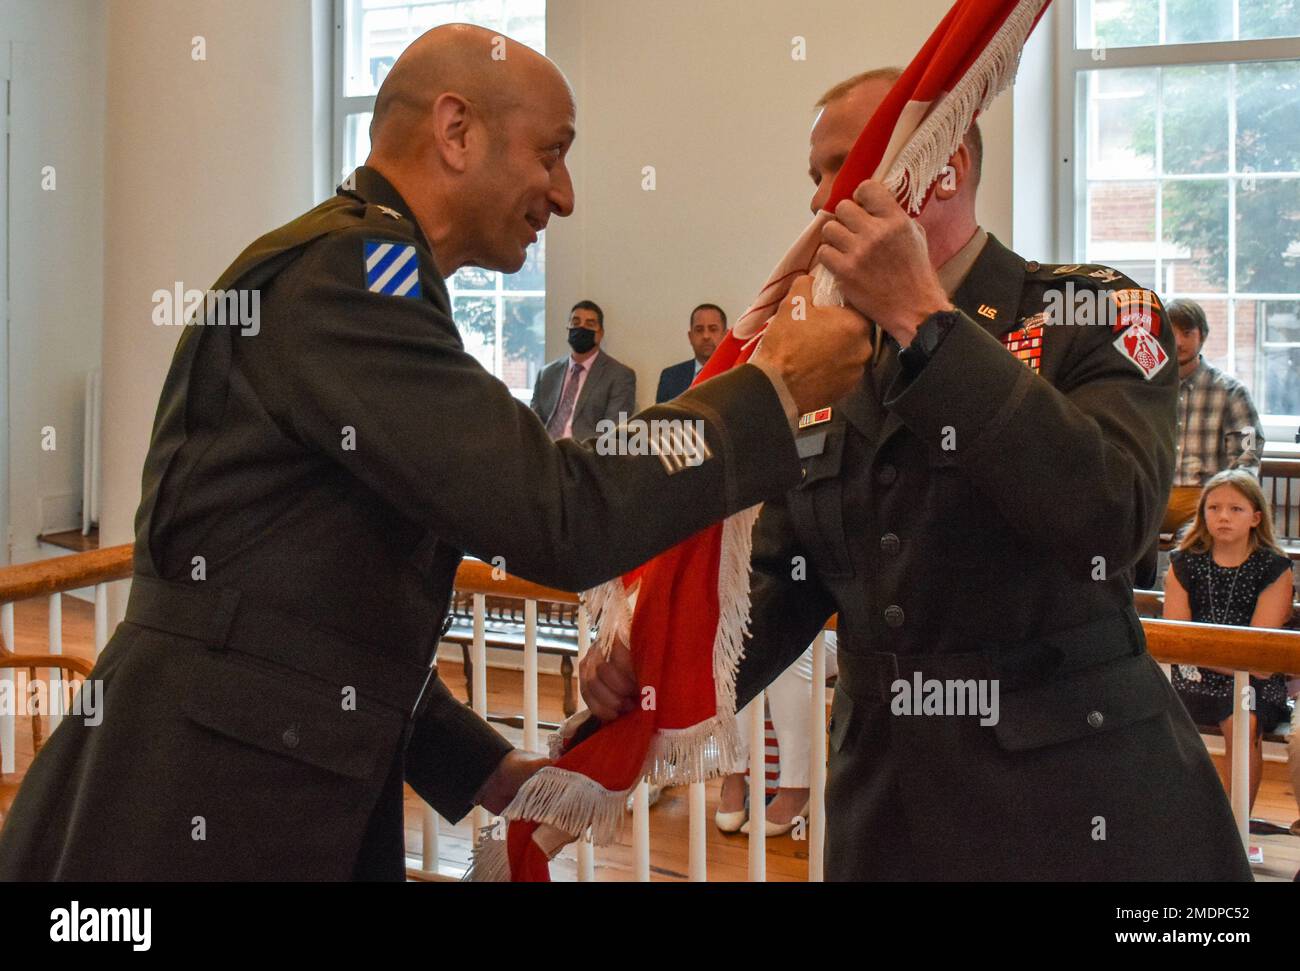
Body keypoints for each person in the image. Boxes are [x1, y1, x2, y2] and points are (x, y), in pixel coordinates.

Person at [0, 25, 875, 881]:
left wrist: (487, 771)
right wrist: (770, 390)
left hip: (271, 772)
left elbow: (319, 616)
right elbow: (554, 510)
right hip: (211, 801)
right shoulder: (353, 276)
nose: (564, 194)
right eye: (551, 153)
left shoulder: (370, 272)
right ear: (456, 131)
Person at [584, 67, 1252, 880]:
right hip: (889, 812)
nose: (819, 200)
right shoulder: (832, 359)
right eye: (814, 174)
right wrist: (644, 668)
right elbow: (784, 580)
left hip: (1073, 807)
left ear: (944, 168)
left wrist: (927, 323)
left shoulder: (1095, 313)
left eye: (843, 165)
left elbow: (1110, 517)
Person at [1164, 470, 1294, 812]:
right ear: (1202, 514)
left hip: (1251, 683)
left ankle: (1236, 826)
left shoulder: (1274, 568)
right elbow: (1175, 638)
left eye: (1235, 509)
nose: (1222, 517)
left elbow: (1258, 651)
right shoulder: (1184, 562)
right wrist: (1222, 656)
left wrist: (1204, 652)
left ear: (1255, 518)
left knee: (1243, 713)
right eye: (1213, 508)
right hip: (1190, 674)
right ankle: (1174, 820)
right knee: (1153, 710)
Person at [1163, 298, 1267, 539]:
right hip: (1153, 496)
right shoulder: (1146, 389)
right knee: (1117, 530)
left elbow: (1248, 449)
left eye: (1187, 333)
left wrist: (1233, 493)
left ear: (1203, 336)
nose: (1178, 342)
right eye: (1171, 332)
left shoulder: (1232, 392)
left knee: (1195, 543)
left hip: (1206, 497)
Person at [717, 633, 839, 836]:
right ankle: (733, 777)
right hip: (780, 622)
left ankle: (797, 789)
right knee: (741, 644)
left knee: (791, 656)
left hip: (837, 628)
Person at [530, 300, 637, 441]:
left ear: (600, 333)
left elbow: (614, 433)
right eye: (575, 323)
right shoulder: (547, 374)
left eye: (590, 324)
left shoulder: (620, 376)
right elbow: (531, 424)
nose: (581, 328)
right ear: (568, 329)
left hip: (585, 457)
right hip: (544, 453)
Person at [656, 304, 728, 403]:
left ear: (725, 335)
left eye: (713, 329)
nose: (706, 336)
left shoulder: (739, 376)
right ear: (690, 337)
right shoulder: (670, 377)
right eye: (699, 330)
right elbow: (659, 417)